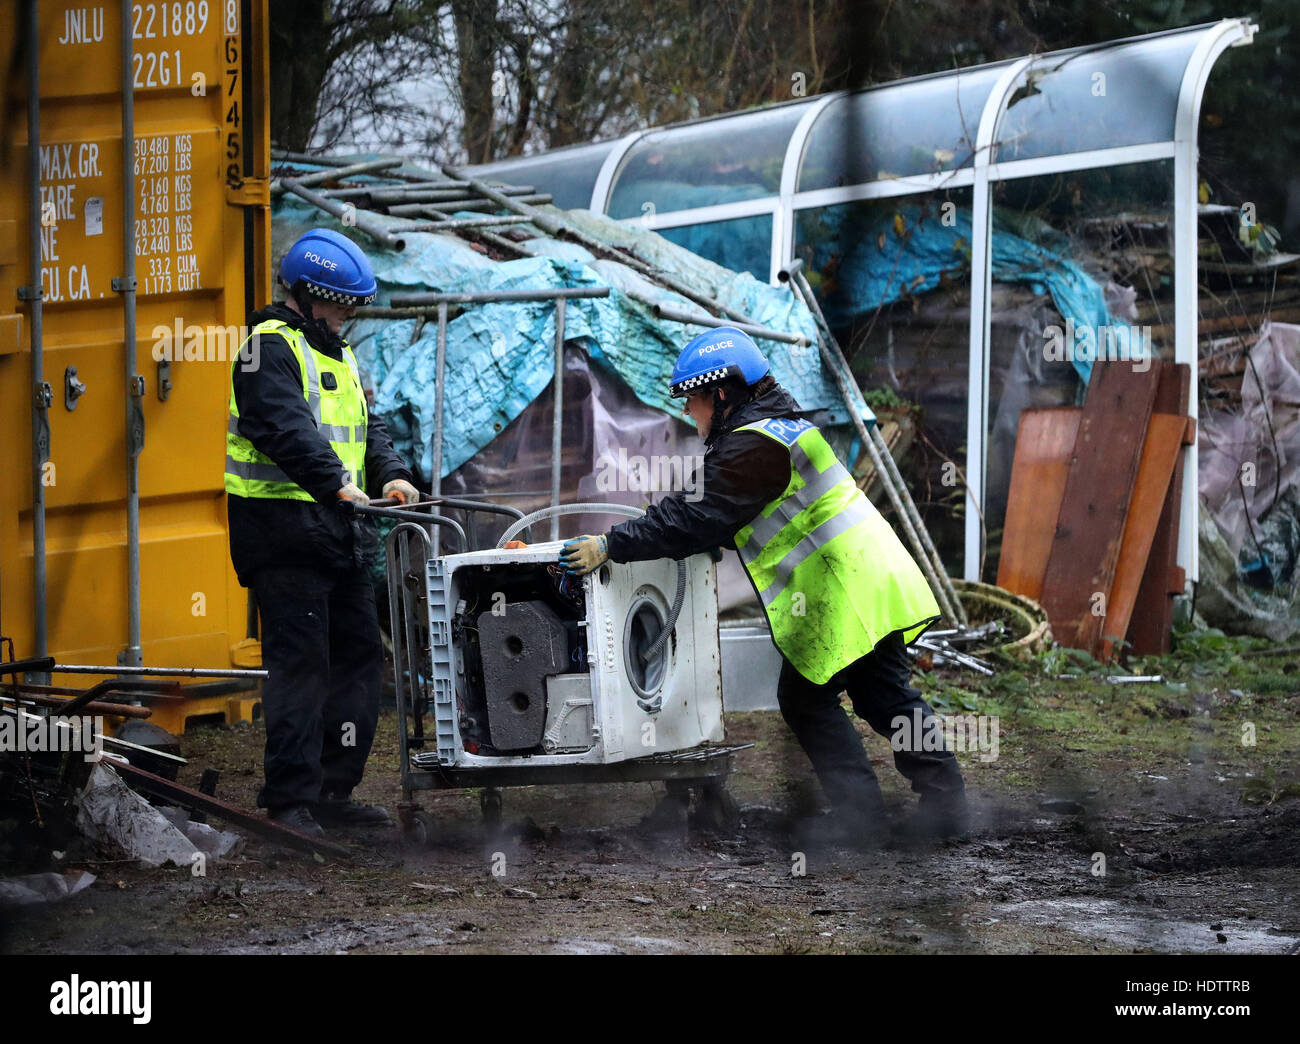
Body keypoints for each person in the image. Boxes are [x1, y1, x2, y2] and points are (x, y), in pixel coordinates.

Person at [559, 326, 968, 847]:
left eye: (694, 400)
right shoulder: (780, 431)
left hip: (841, 590)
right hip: (871, 579)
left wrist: (611, 544)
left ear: (722, 394)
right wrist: (703, 529)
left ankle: (863, 815)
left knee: (809, 701)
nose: (689, 412)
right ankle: (946, 804)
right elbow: (730, 512)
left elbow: (697, 513)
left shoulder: (751, 445)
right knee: (886, 696)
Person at [225, 227, 419, 838]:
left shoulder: (337, 352)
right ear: (307, 297)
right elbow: (280, 426)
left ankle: (335, 791)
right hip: (282, 537)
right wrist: (335, 481)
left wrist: (390, 475)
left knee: (359, 661)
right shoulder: (265, 347)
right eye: (341, 305)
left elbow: (368, 427)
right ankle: (289, 799)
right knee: (301, 665)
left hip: (337, 535)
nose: (348, 317)